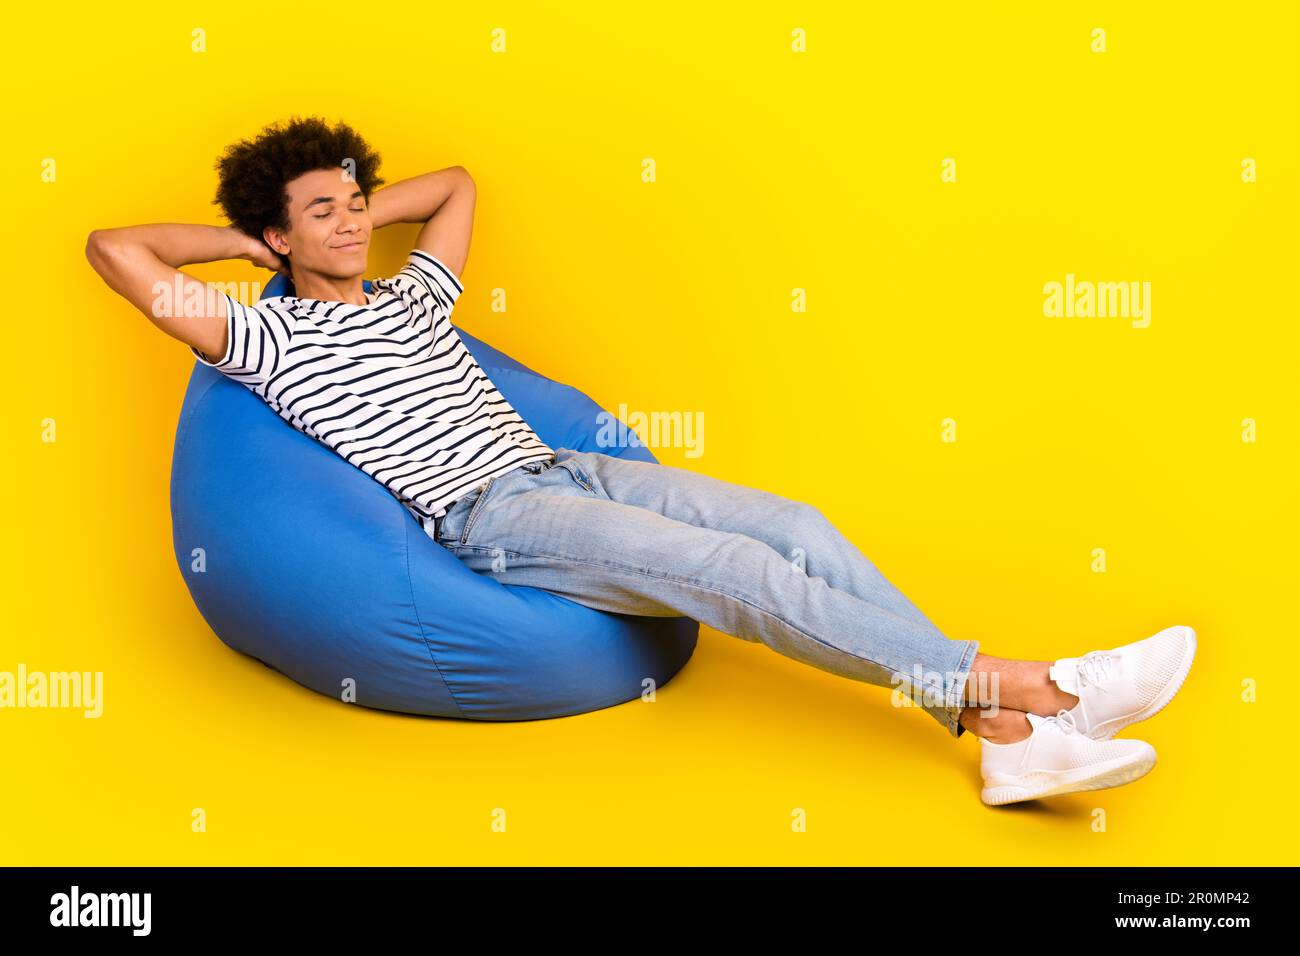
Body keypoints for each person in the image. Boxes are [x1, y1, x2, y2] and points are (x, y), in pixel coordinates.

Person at [84, 116, 1198, 806]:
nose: (349, 221)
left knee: (796, 527)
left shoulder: (414, 294)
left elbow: (460, 183)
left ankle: (999, 736)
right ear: (276, 237)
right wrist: (248, 239)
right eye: (319, 213)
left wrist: (347, 191)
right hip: (491, 516)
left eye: (355, 203)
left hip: (569, 466)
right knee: (744, 579)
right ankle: (1042, 689)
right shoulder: (268, 336)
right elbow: (113, 251)